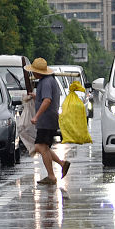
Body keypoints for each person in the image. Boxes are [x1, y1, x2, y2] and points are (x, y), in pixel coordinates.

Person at [26, 57, 71, 185]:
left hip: (46, 119)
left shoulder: (45, 82)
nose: (33, 73)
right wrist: (36, 96)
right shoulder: (49, 81)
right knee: (43, 146)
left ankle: (51, 176)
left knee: (40, 146)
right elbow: (44, 98)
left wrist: (36, 116)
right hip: (49, 119)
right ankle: (62, 164)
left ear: (39, 72)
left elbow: (47, 100)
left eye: (34, 71)